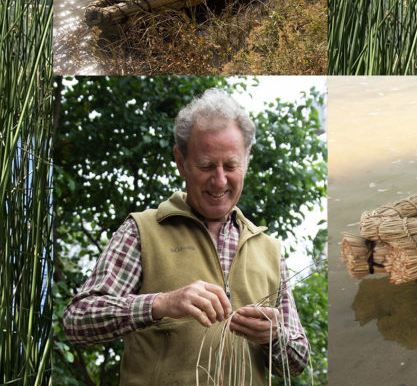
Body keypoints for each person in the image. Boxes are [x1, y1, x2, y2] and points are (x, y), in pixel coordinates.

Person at [63, 88, 309, 385]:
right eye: (206, 166)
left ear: (247, 159)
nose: (219, 180)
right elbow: (77, 320)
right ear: (180, 161)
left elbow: (297, 361)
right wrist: (161, 304)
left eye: (231, 165)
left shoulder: (268, 249)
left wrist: (274, 336)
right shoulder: (142, 231)